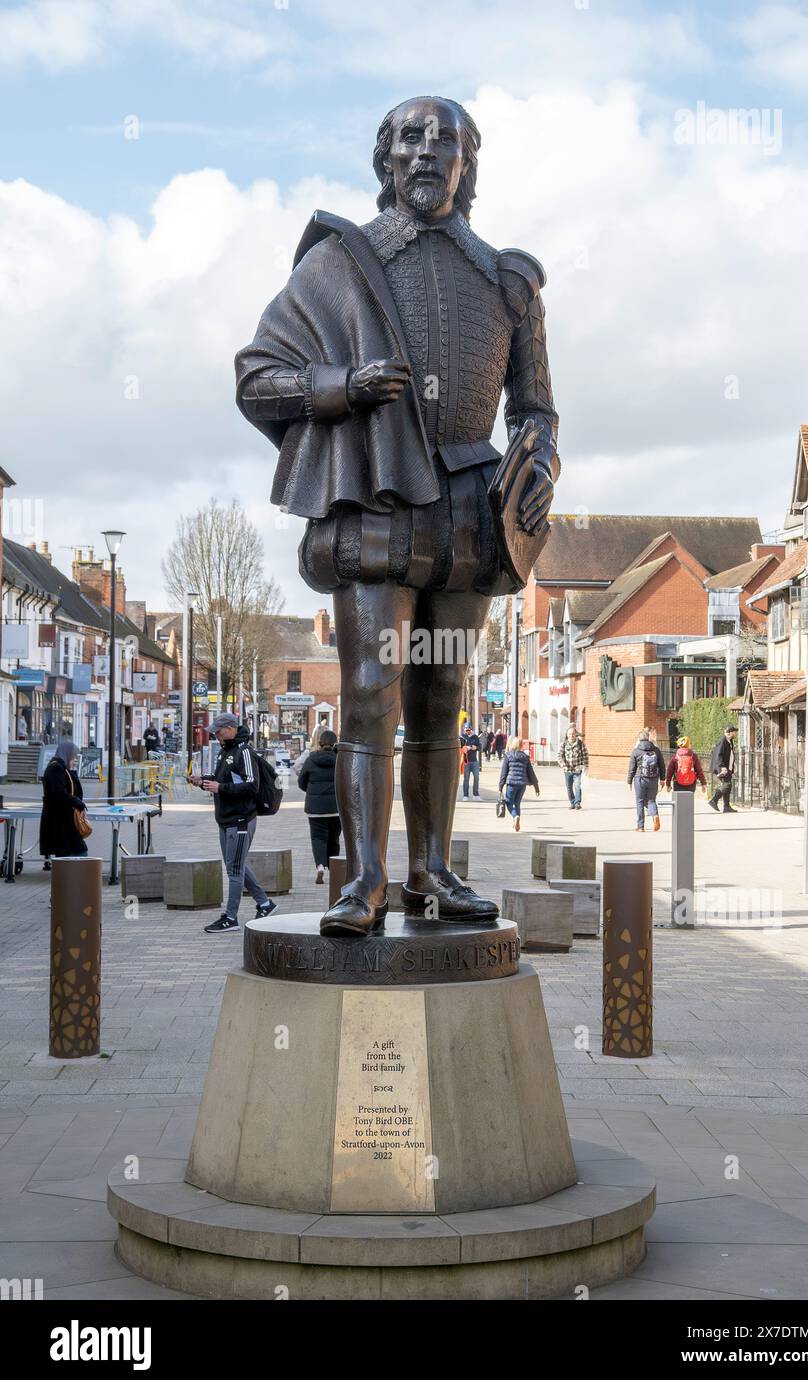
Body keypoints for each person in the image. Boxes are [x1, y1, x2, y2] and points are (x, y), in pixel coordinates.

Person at [235, 95, 557, 935]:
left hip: (466, 515)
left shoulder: (509, 281)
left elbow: (536, 410)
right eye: (410, 138)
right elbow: (257, 376)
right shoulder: (338, 265)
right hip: (375, 502)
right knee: (372, 694)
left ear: (467, 164)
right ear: (385, 159)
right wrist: (341, 386)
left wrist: (542, 460)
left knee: (443, 696)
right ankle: (366, 881)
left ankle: (434, 873)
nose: (426, 153)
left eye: (444, 140)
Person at [189, 713, 279, 934]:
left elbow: (252, 786)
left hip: (240, 819)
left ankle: (231, 917)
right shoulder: (225, 751)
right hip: (226, 819)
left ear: (230, 728)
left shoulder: (244, 752)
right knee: (234, 865)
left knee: (234, 869)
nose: (217, 736)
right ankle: (265, 904)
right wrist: (203, 781)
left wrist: (220, 788)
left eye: (219, 732)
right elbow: (224, 779)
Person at [297, 729, 341, 883]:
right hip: (336, 808)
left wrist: (311, 790)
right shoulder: (340, 760)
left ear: (320, 742)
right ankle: (335, 869)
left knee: (318, 838)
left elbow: (302, 782)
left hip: (315, 809)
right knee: (334, 839)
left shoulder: (311, 759)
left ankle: (321, 867)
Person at [39, 741, 88, 861]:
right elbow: (59, 794)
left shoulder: (61, 768)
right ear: (66, 754)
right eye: (73, 757)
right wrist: (77, 803)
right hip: (59, 821)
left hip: (64, 820)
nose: (74, 760)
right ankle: (71, 878)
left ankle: (72, 877)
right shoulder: (56, 768)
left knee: (75, 851)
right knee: (76, 853)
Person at [627, 728, 666, 832]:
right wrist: (662, 779)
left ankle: (640, 826)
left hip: (640, 778)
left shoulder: (636, 751)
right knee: (651, 800)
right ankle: (655, 815)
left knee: (640, 801)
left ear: (639, 739)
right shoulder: (656, 750)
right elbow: (662, 765)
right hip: (653, 779)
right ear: (648, 738)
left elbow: (632, 768)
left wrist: (629, 781)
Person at [498, 735, 540, 831]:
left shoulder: (508, 756)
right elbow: (531, 772)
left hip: (511, 783)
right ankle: (516, 822)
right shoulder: (525, 757)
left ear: (512, 744)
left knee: (509, 802)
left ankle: (515, 816)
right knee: (517, 803)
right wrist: (536, 787)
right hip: (522, 784)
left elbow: (503, 773)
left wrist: (500, 786)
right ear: (521, 745)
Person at [558, 723, 589, 808]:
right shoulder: (563, 744)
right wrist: (563, 765)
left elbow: (585, 755)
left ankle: (577, 803)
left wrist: (586, 766)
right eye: (569, 734)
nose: (571, 735)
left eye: (573, 734)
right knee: (569, 787)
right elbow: (559, 756)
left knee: (577, 785)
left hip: (577, 769)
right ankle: (572, 802)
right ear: (567, 735)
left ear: (575, 735)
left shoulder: (580, 744)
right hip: (567, 770)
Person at [709, 724, 738, 813]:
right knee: (727, 785)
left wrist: (734, 764)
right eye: (734, 732)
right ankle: (714, 800)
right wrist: (722, 767)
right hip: (722, 768)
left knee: (728, 786)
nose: (735, 733)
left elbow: (730, 754)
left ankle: (726, 806)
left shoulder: (729, 741)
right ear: (730, 732)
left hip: (728, 767)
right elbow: (719, 755)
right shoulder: (723, 741)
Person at [460, 724, 482, 799]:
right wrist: (465, 747)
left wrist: (476, 747)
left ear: (471, 729)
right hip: (466, 761)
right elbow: (460, 748)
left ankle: (476, 795)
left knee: (476, 778)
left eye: (468, 730)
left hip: (474, 761)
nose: (467, 731)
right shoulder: (462, 737)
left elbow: (480, 747)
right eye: (466, 730)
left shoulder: (475, 737)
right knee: (466, 779)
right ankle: (465, 795)